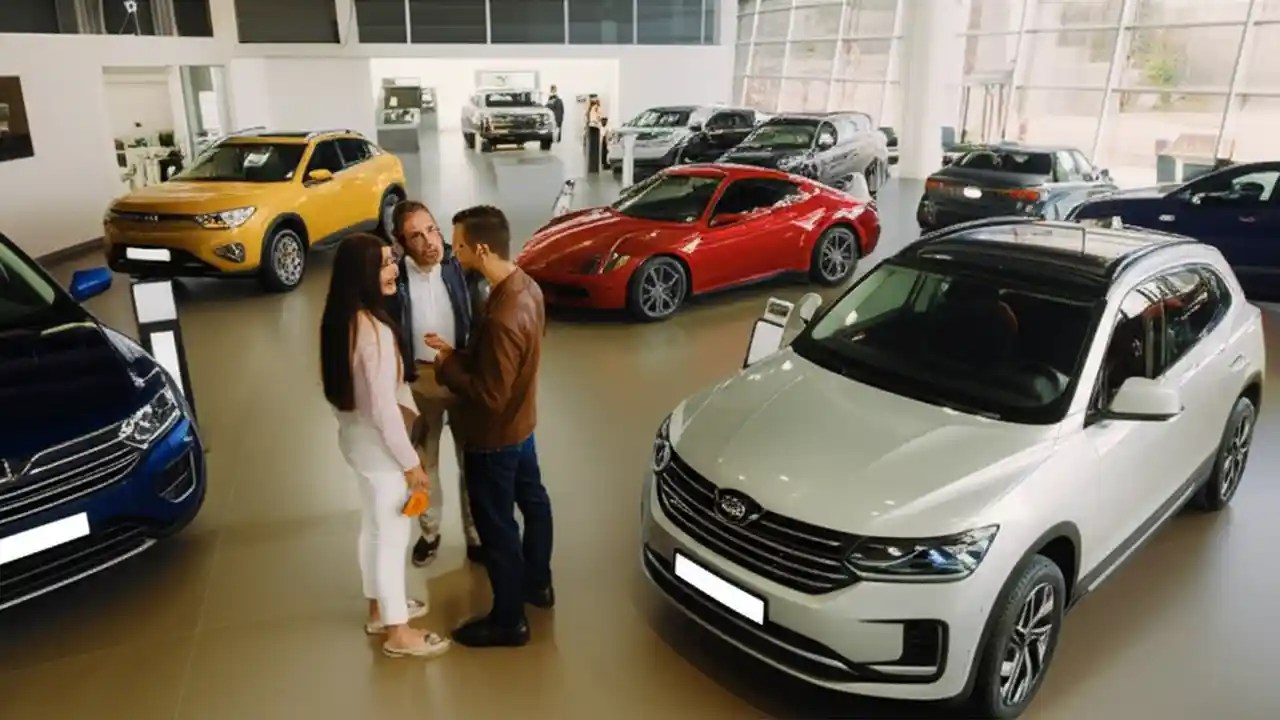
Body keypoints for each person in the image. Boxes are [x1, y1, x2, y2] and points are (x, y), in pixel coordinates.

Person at [424, 205, 554, 648]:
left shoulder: (501, 315)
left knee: (497, 527)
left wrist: (445, 365)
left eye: (458, 245)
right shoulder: (526, 288)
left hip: (494, 440)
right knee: (534, 503)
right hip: (523, 427)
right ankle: (538, 583)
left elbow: (489, 395)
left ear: (481, 248)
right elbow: (509, 368)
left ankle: (509, 620)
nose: (452, 253)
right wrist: (458, 354)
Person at [320, 233, 451, 660]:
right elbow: (383, 408)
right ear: (362, 276)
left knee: (374, 528)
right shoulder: (374, 332)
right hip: (381, 449)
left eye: (391, 261)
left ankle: (380, 608)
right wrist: (412, 463)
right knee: (393, 535)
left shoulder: (340, 322)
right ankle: (398, 630)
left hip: (356, 442)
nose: (394, 269)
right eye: (382, 264)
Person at [387, 200, 485, 568]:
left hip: (460, 375)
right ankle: (430, 533)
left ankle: (475, 535)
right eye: (416, 235)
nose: (429, 241)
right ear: (401, 242)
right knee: (424, 462)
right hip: (419, 380)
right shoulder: (393, 276)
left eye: (432, 229)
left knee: (470, 460)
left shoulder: (460, 269)